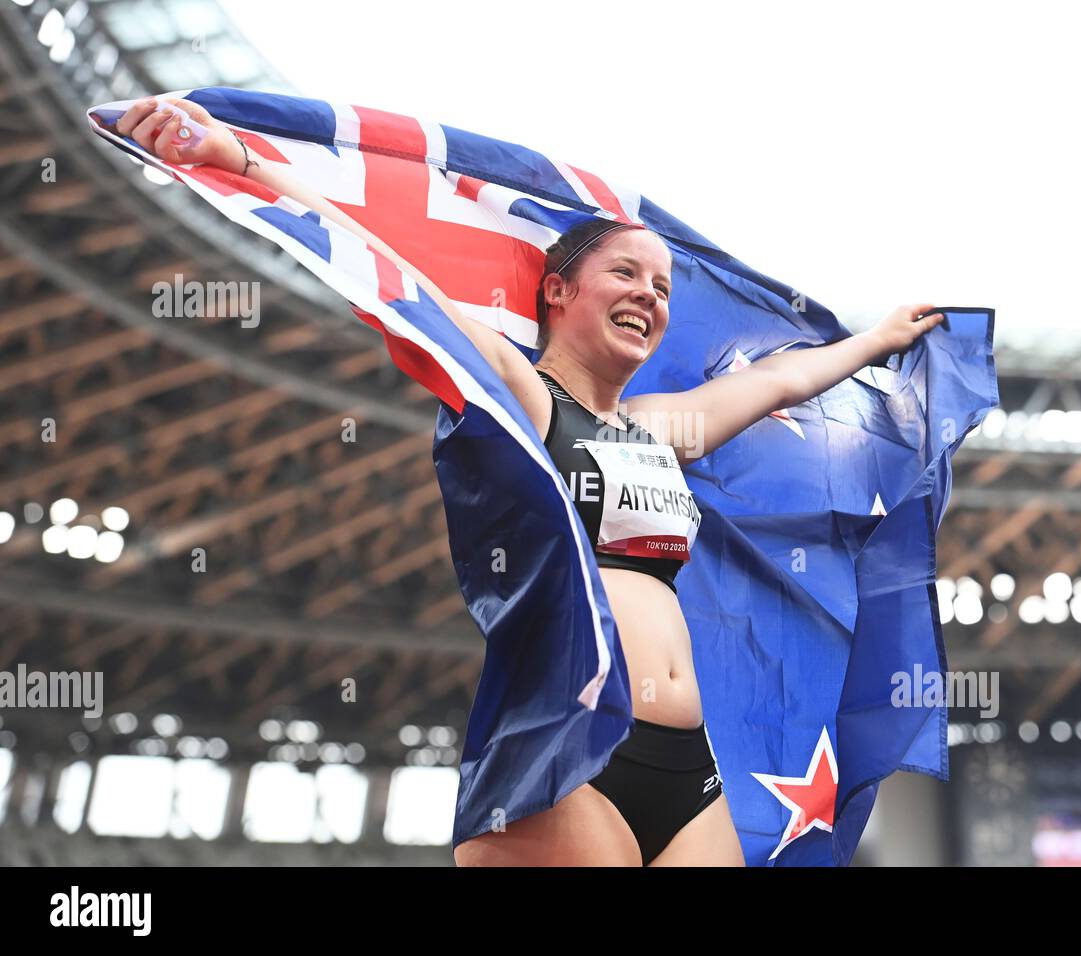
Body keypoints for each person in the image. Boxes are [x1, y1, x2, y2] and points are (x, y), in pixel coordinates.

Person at [111, 96, 948, 866]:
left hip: (690, 769)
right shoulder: (524, 392)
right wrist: (241, 159)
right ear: (557, 290)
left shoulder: (661, 428)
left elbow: (783, 382)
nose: (649, 297)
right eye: (625, 274)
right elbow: (393, 272)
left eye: (660, 287)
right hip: (570, 746)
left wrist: (877, 339)